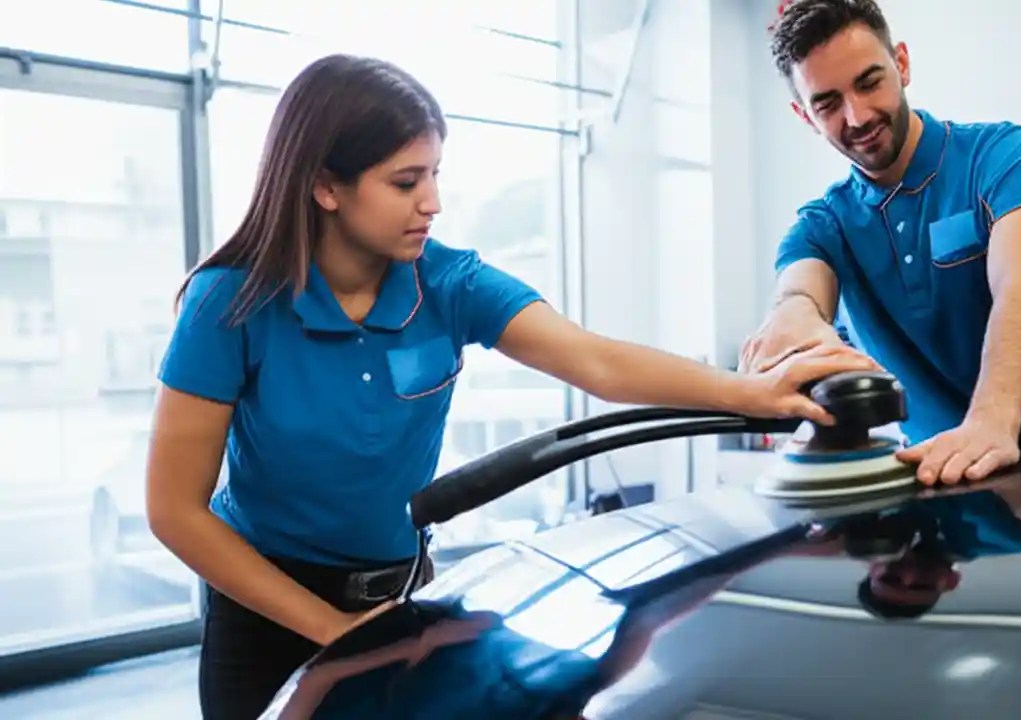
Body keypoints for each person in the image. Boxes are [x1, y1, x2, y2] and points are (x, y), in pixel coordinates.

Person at [146, 54, 873, 719]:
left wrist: (756, 393)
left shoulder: (449, 282)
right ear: (324, 187)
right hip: (263, 612)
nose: (431, 202)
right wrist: (335, 633)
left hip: (397, 594)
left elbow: (596, 361)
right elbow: (175, 509)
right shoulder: (231, 304)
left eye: (434, 174)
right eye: (406, 182)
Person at [740, 0, 1021, 487]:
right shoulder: (822, 227)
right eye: (827, 103)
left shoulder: (1009, 158)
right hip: (936, 488)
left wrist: (991, 423)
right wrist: (795, 321)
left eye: (869, 82)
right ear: (804, 115)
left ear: (902, 64)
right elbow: (800, 293)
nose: (858, 115)